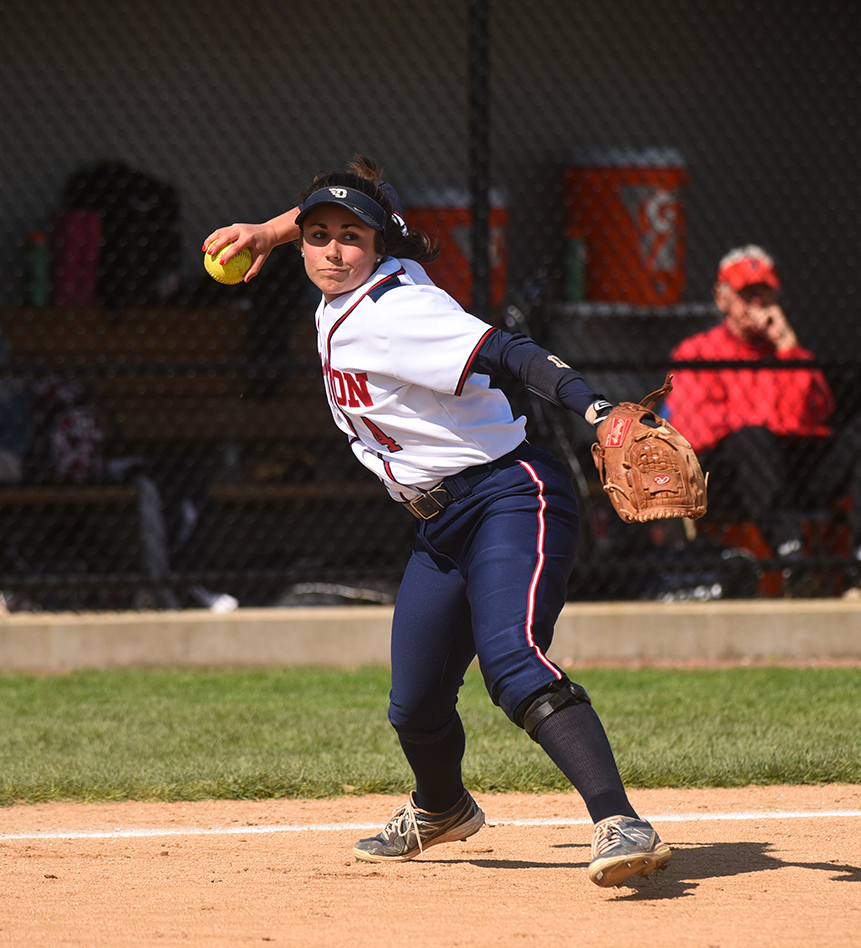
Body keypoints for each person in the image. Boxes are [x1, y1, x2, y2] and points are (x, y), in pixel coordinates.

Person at [205, 156, 671, 889]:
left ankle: (619, 819)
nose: (330, 249)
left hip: (509, 496)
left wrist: (595, 407)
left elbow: (508, 352)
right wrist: (271, 230)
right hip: (441, 522)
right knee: (414, 701)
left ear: (379, 245)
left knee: (512, 663)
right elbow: (336, 219)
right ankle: (444, 806)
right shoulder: (350, 289)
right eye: (317, 234)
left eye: (348, 237)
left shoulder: (400, 313)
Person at [663, 246, 861, 577]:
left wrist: (789, 348)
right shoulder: (695, 352)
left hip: (792, 468)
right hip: (727, 479)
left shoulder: (785, 350)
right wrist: (760, 424)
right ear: (722, 299)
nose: (757, 303)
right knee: (752, 440)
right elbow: (695, 430)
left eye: (764, 293)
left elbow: (813, 414)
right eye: (747, 294)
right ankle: (790, 551)